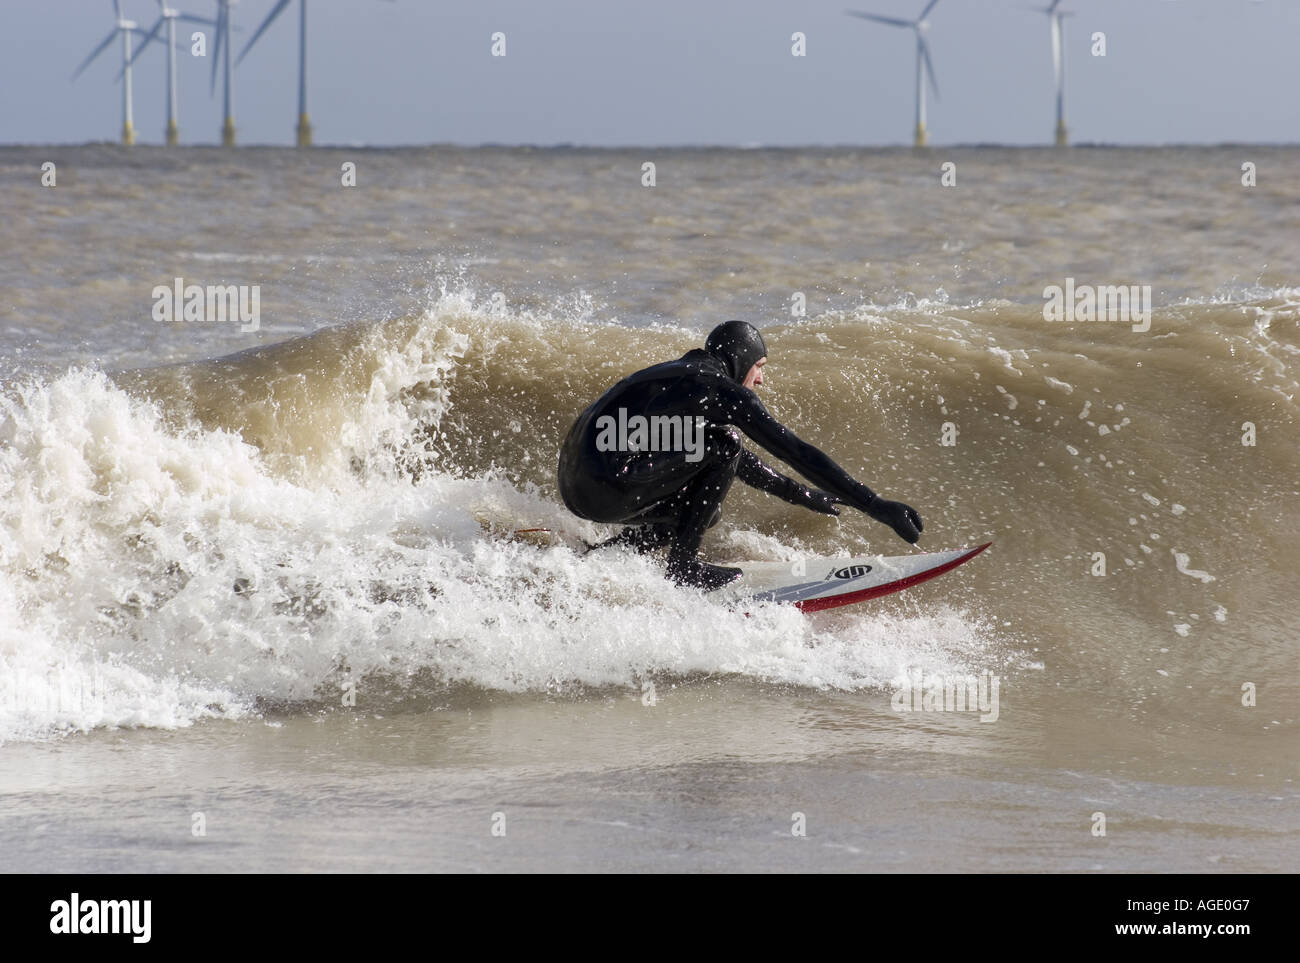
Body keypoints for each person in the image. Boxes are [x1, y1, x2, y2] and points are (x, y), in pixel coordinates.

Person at [556, 320, 923, 590]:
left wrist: (802, 495)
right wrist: (875, 505)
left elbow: (722, 459)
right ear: (742, 358)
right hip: (608, 484)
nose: (760, 379)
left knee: (701, 509)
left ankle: (603, 558)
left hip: (580, 489)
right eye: (760, 367)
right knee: (724, 447)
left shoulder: (681, 378)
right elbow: (796, 451)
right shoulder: (718, 390)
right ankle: (682, 567)